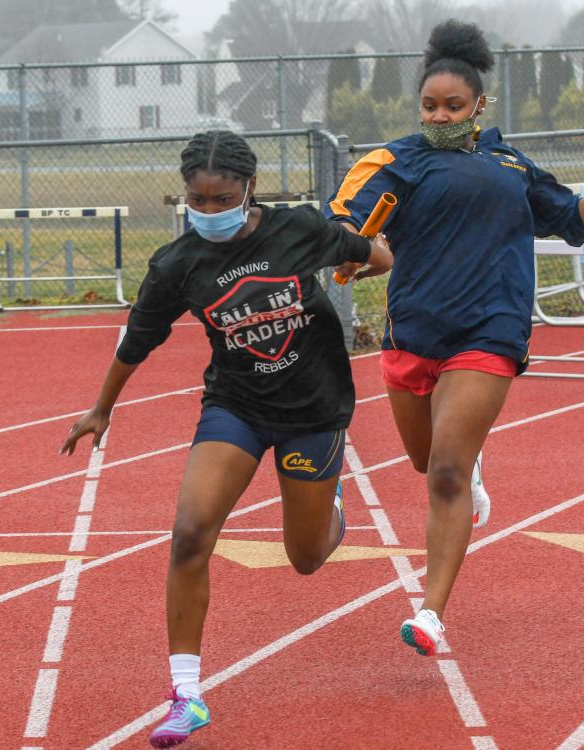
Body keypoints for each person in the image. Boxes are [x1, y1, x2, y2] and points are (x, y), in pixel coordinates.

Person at [60, 130, 392, 748]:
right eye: (198, 199)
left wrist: (364, 260)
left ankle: (332, 509)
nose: (209, 210)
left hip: (313, 410)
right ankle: (186, 693)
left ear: (250, 189)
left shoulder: (297, 230)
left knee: (307, 558)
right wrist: (101, 408)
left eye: (222, 198)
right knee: (189, 532)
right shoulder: (178, 264)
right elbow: (137, 341)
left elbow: (377, 255)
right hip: (235, 407)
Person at [325, 20, 584, 657]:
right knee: (427, 464)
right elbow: (345, 217)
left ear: (479, 105)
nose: (439, 115)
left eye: (452, 105)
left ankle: (431, 613)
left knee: (444, 470)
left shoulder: (509, 163)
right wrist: (351, 250)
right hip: (414, 330)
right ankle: (469, 467)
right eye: (428, 105)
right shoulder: (397, 161)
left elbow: (566, 218)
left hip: (490, 330)